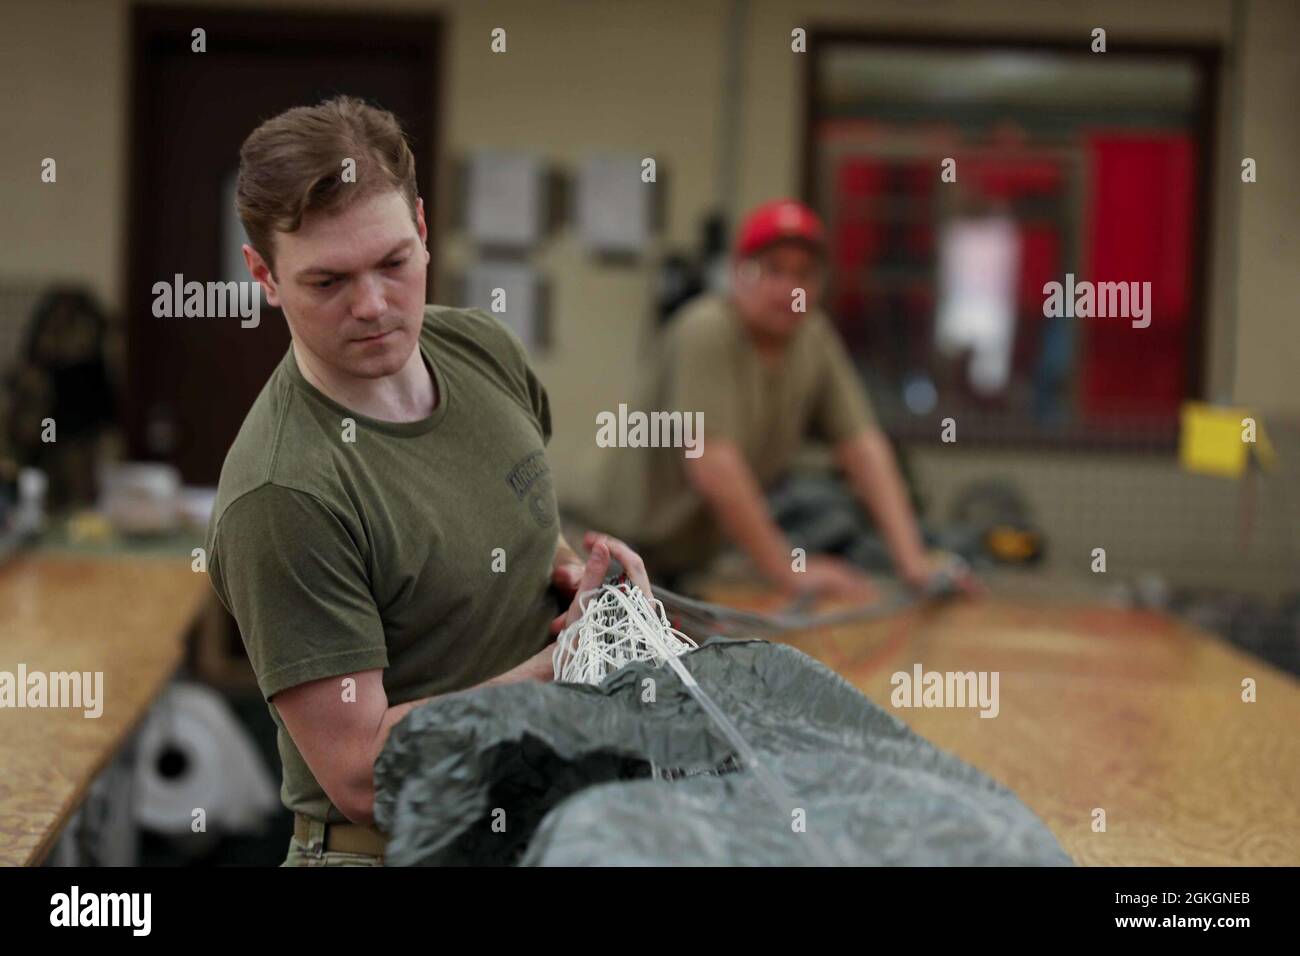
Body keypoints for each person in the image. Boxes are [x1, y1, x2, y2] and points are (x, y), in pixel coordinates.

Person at [204, 96, 652, 866]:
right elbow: (363, 775)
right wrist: (571, 664)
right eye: (327, 282)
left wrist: (582, 582)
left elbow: (513, 516)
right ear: (263, 277)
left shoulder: (479, 348)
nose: (373, 306)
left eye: (392, 262)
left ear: (421, 225)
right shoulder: (284, 496)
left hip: (545, 827)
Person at [581, 199, 967, 602]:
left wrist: (914, 565)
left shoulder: (813, 338)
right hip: (619, 552)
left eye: (803, 274)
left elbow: (862, 446)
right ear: (736, 274)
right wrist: (790, 571)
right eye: (771, 270)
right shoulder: (706, 329)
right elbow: (712, 462)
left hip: (693, 559)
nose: (789, 288)